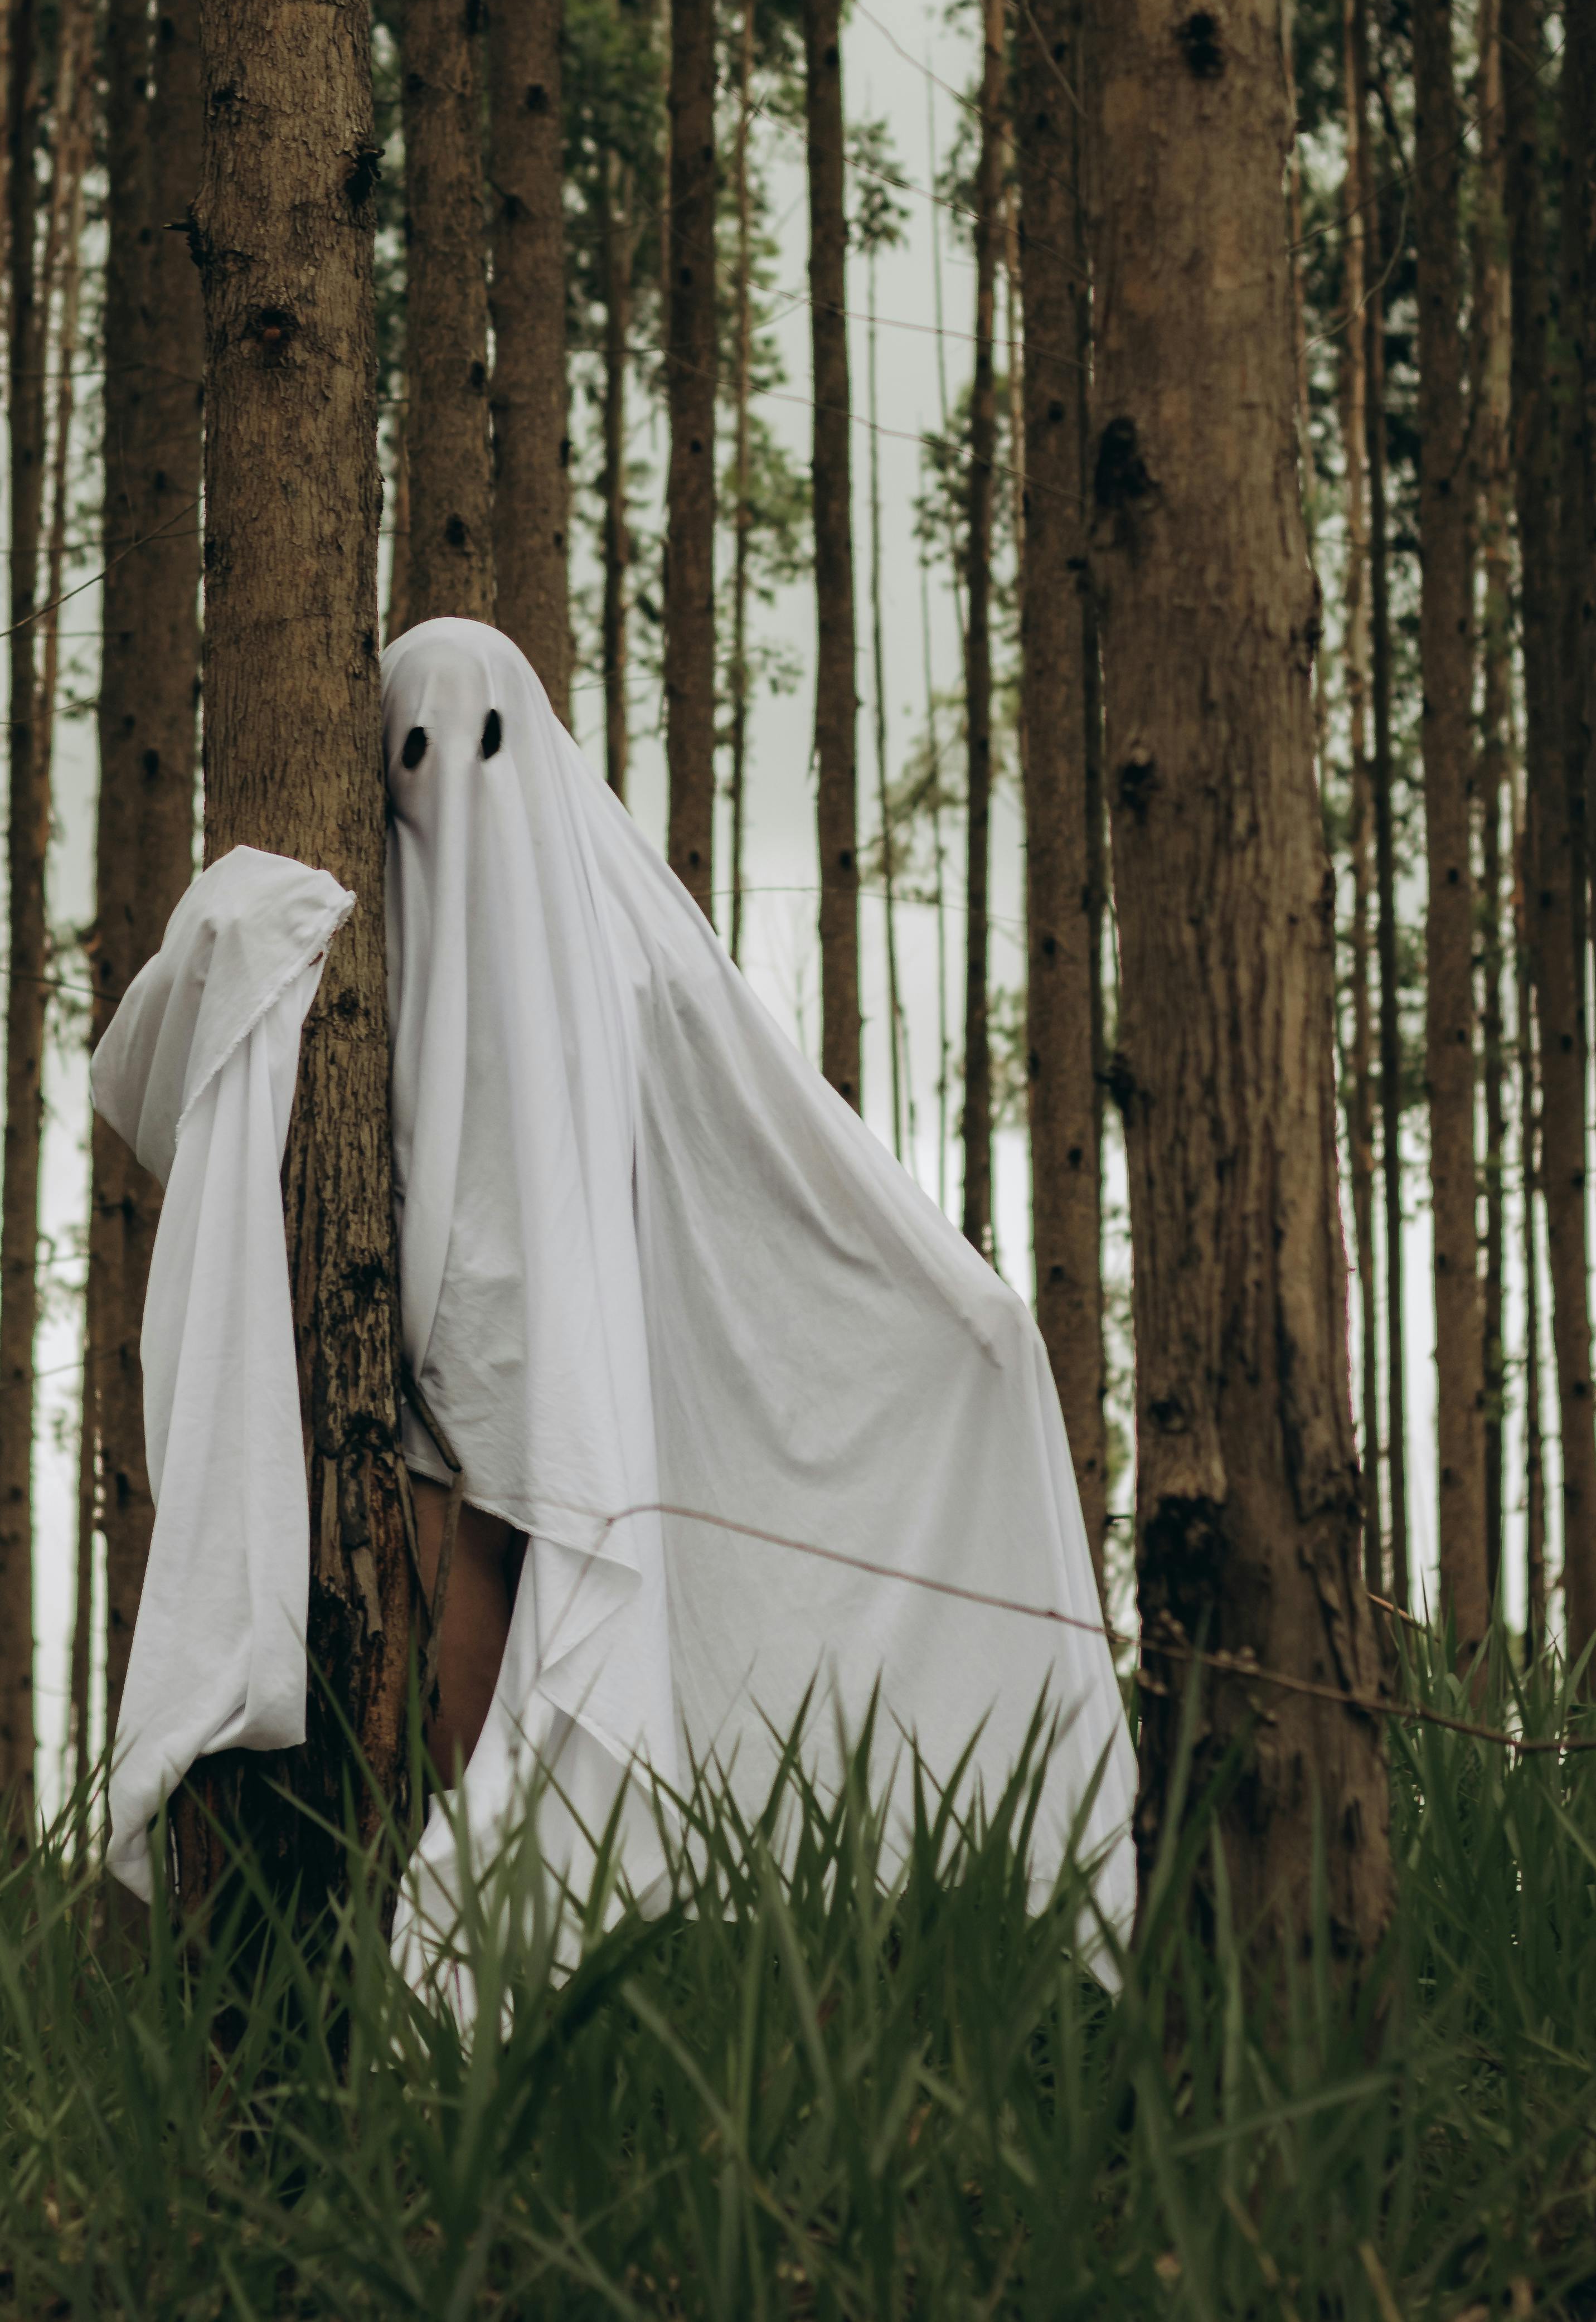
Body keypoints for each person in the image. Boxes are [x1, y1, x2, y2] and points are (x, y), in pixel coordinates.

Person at [95, 615, 1134, 1962]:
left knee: (527, 1694)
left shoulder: (626, 942)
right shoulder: (355, 939)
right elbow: (160, 1062)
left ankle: (506, 1973)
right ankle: (386, 1971)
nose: (450, 780)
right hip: (396, 1374)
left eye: (483, 744)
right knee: (411, 1708)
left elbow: (763, 1137)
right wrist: (236, 926)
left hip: (566, 1375)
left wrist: (963, 1320)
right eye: (413, 750)